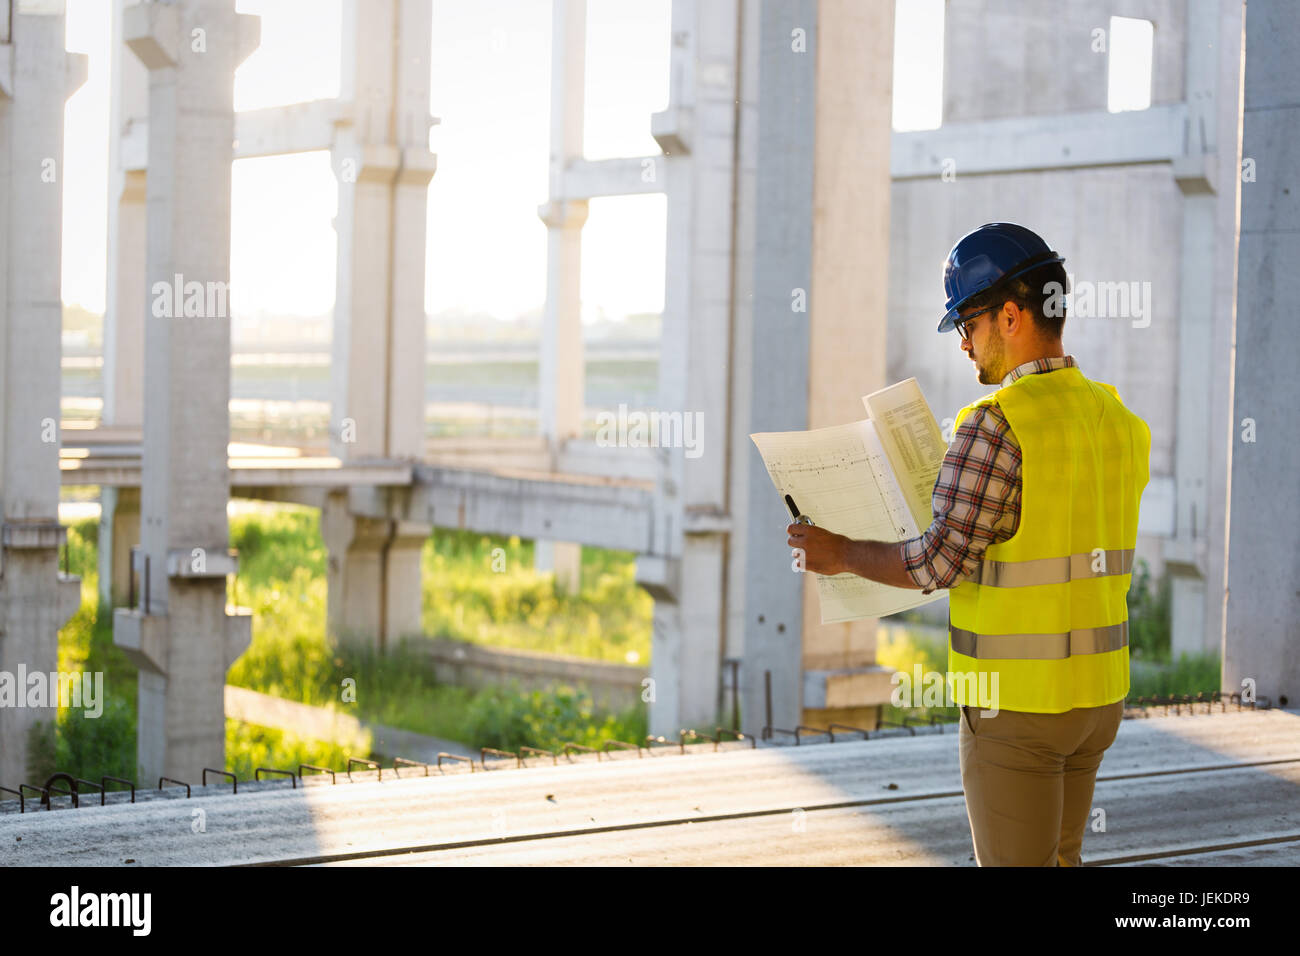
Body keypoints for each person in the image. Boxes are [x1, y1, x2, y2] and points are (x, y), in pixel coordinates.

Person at [785, 222, 1151, 866]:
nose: (962, 344)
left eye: (968, 323)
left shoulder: (995, 424)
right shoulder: (1117, 419)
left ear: (1010, 315)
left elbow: (939, 562)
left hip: (1018, 708)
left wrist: (838, 552)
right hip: (1098, 700)